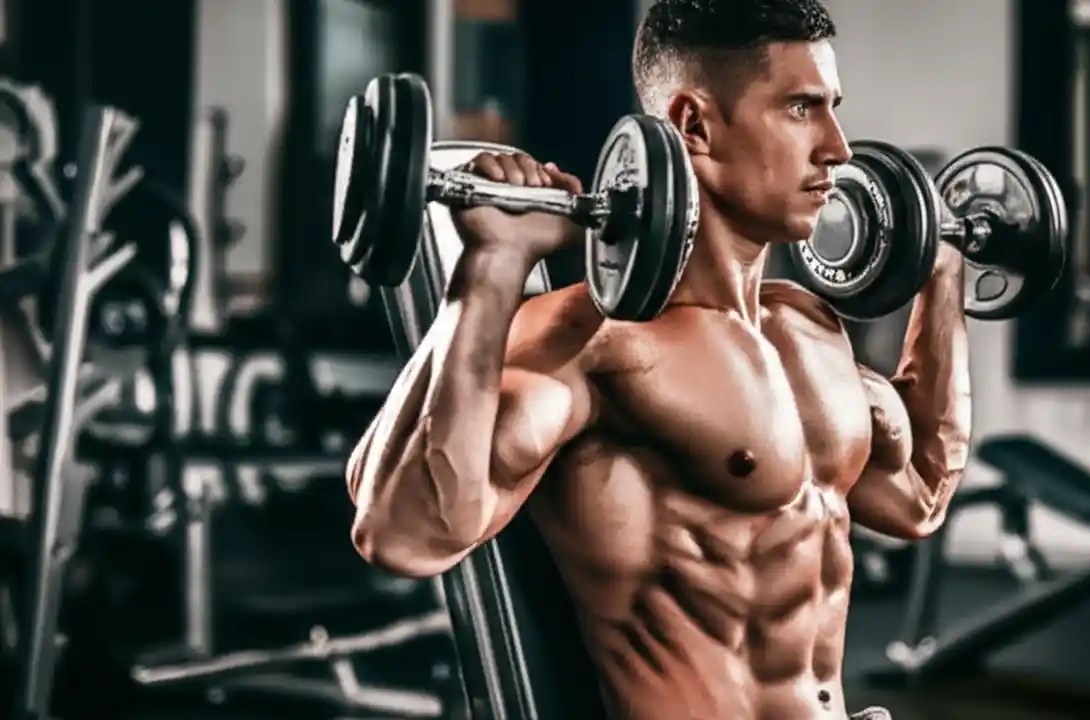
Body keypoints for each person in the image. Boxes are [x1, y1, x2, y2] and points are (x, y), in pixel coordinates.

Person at [345, 1, 970, 718]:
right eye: (801, 109)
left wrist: (942, 270)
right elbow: (402, 534)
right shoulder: (592, 343)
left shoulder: (808, 328)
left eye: (833, 108)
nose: (837, 147)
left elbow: (920, 492)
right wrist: (495, 267)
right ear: (695, 125)